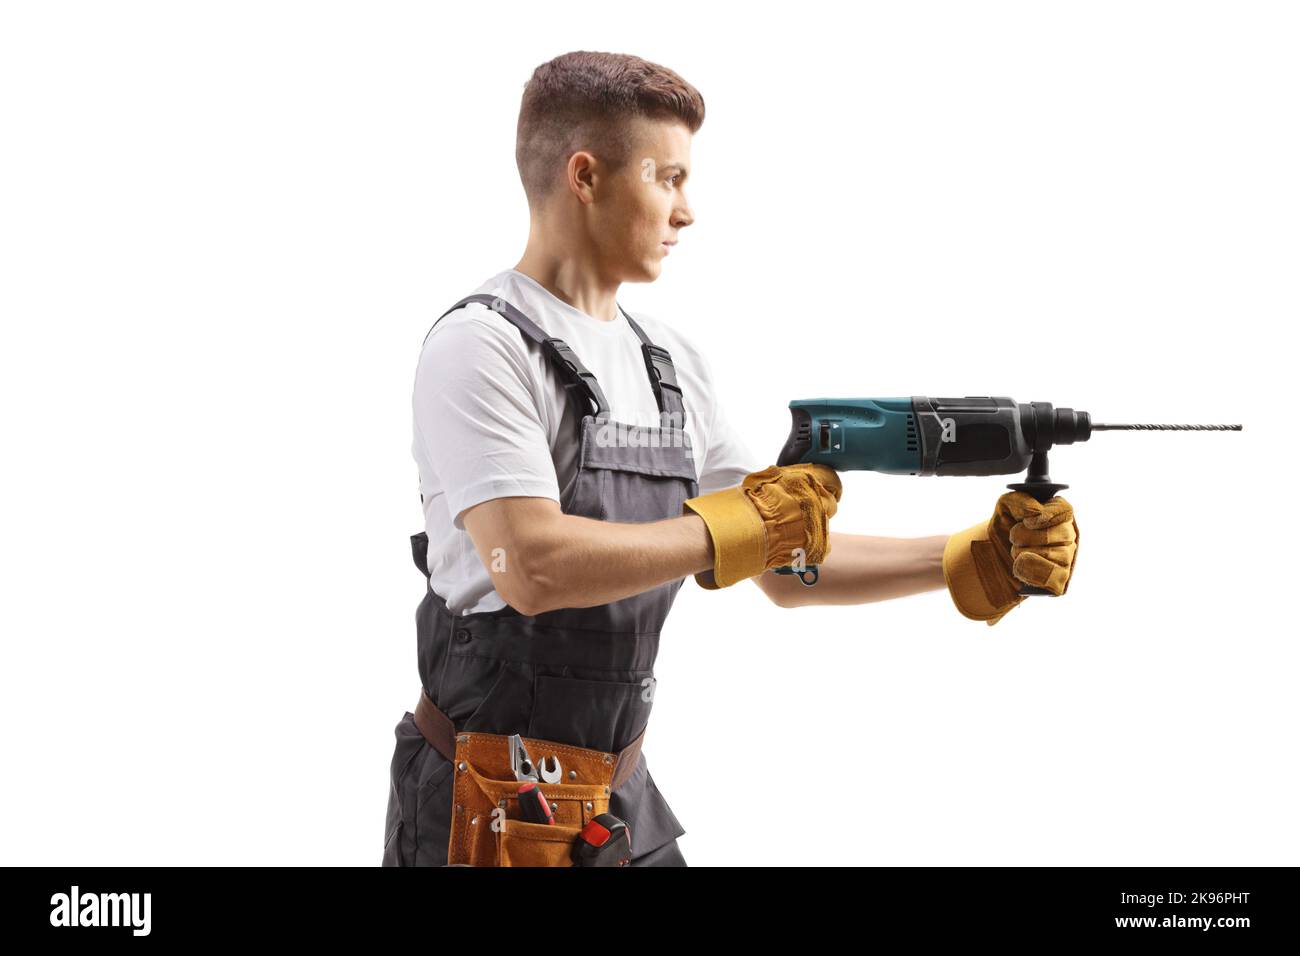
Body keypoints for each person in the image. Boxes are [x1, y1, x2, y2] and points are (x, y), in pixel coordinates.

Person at [382, 50, 1079, 867]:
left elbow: (781, 563)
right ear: (586, 176)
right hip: (488, 809)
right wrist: (737, 528)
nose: (686, 211)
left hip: (614, 797)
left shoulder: (666, 366)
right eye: (668, 177)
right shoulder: (483, 346)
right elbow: (531, 566)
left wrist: (968, 558)